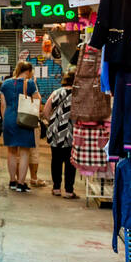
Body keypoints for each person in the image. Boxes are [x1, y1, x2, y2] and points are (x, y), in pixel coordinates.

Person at [0, 61, 39, 192]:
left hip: (9, 119)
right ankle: (21, 183)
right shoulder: (30, 83)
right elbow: (37, 100)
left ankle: (12, 181)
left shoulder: (5, 83)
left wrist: (5, 121)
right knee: (24, 152)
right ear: (28, 71)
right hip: (24, 119)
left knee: (11, 152)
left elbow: (3, 105)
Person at [42, 68, 78, 198]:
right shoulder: (79, 94)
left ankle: (56, 188)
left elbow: (46, 112)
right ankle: (69, 191)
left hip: (56, 130)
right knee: (70, 161)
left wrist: (52, 122)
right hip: (72, 131)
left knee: (55, 160)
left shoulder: (56, 92)